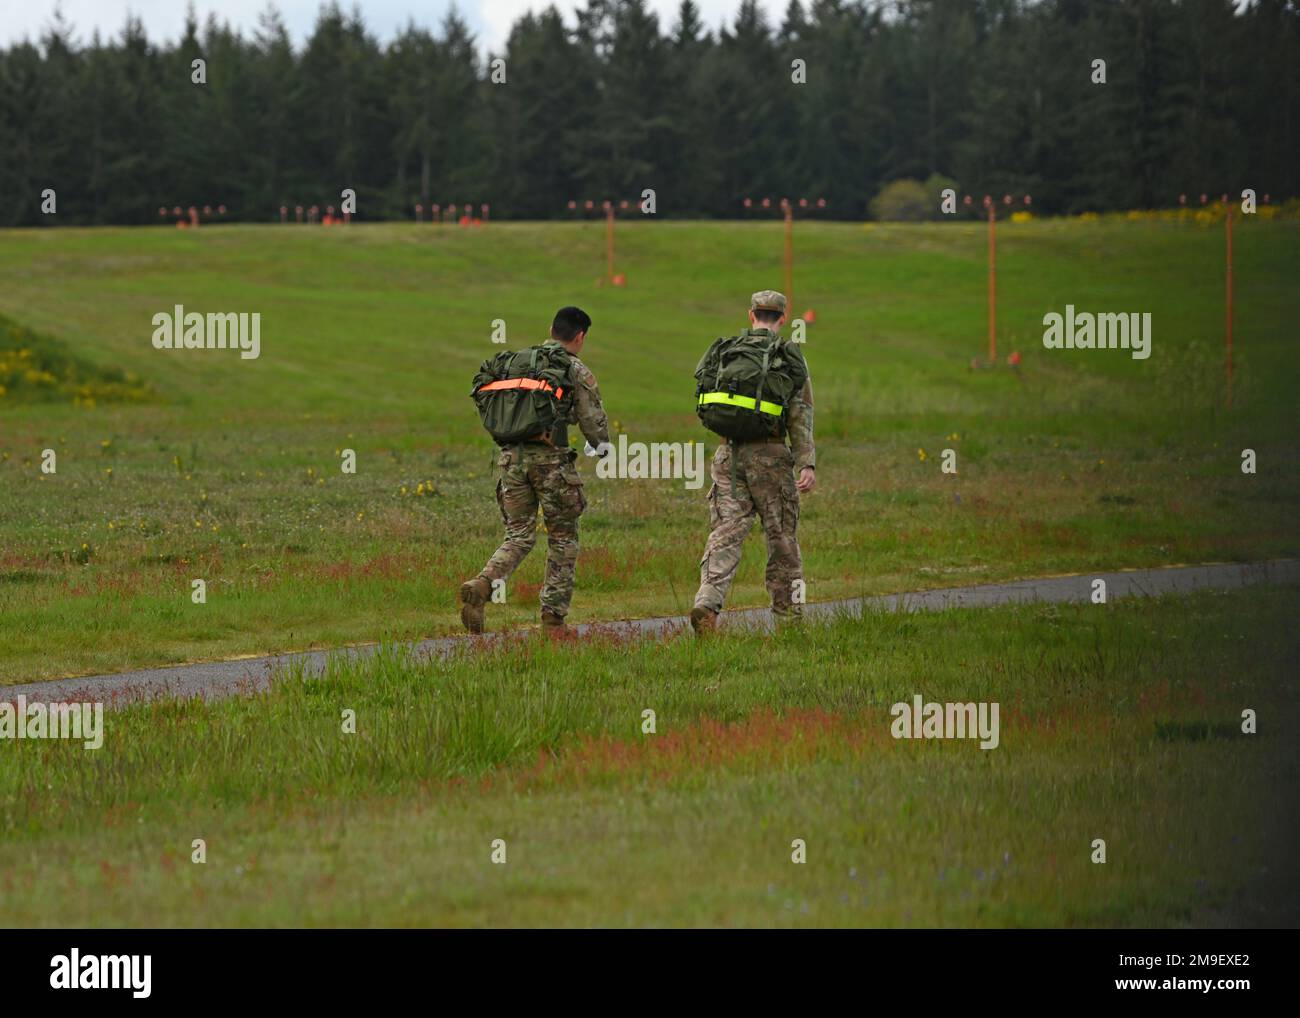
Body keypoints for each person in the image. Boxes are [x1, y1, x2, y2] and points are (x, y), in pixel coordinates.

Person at [460, 306, 610, 634]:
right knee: (562, 537)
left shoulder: (519, 362)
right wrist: (601, 447)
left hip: (511, 461)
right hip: (551, 463)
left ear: (552, 329)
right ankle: (553, 620)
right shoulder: (572, 368)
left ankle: (483, 585)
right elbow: (592, 418)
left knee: (518, 536)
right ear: (581, 336)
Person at [690, 290, 815, 634]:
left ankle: (707, 603)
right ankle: (788, 620)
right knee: (781, 539)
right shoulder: (788, 356)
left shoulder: (728, 351)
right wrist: (807, 462)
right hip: (771, 457)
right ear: (782, 318)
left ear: (751, 315)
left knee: (726, 533)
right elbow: (800, 414)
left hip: (728, 454)